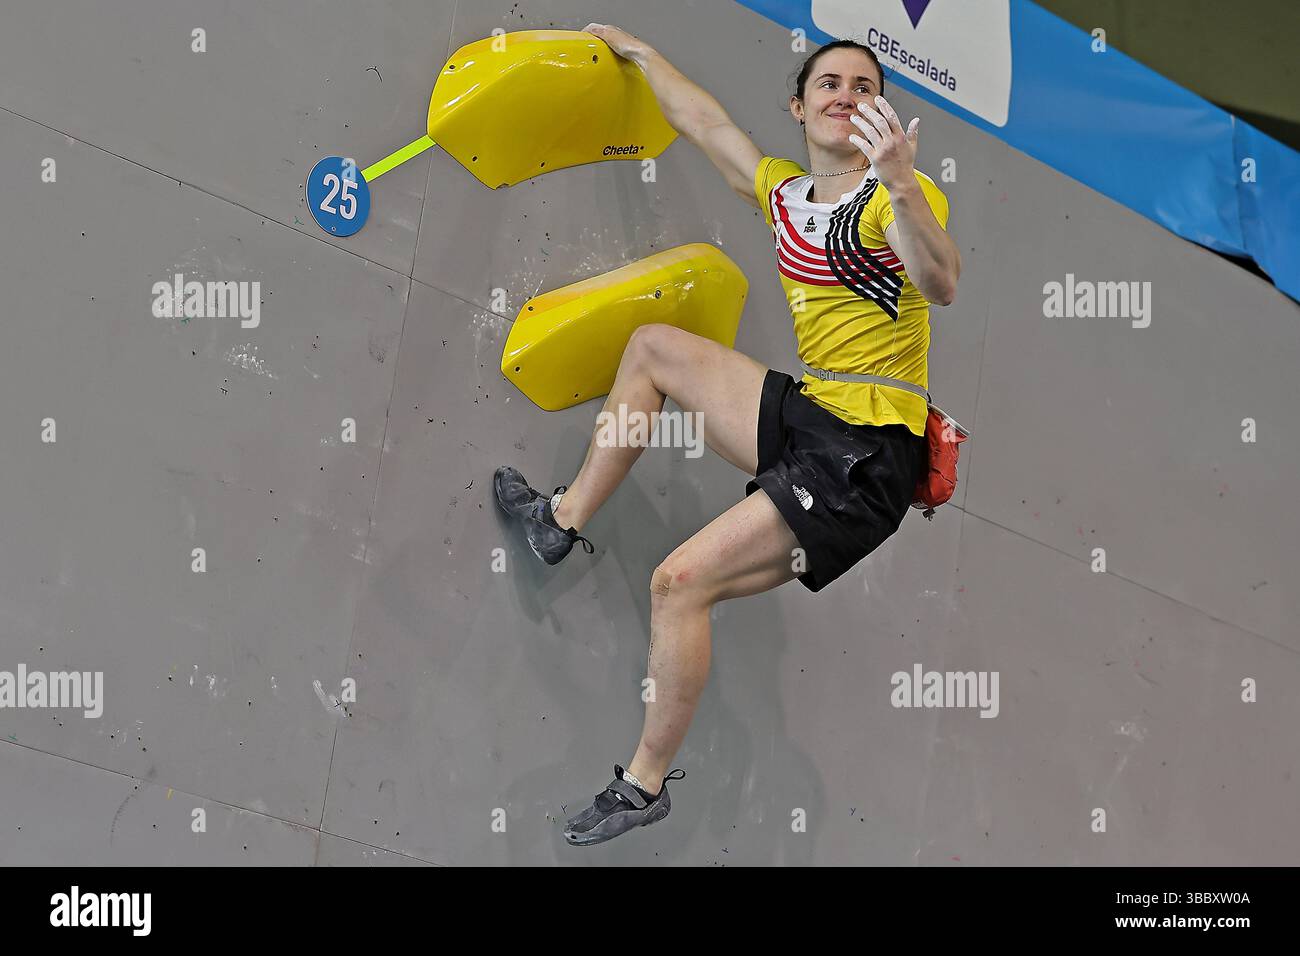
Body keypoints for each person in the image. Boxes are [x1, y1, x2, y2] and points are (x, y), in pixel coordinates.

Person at [494, 23, 961, 846]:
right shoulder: (785, 194)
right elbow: (707, 124)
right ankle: (561, 523)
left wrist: (908, 188)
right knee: (654, 351)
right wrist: (641, 54)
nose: (847, 96)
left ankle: (641, 785)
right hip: (814, 419)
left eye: (864, 88)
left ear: (879, 116)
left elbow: (940, 281)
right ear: (800, 104)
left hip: (866, 458)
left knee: (679, 584)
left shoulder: (897, 197)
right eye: (830, 84)